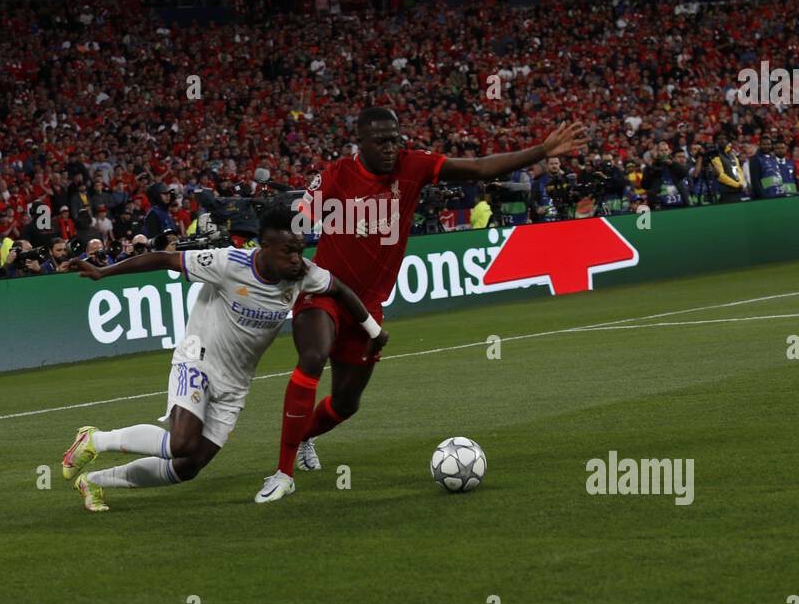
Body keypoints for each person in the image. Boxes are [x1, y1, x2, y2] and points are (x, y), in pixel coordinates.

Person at [269, 106, 586, 493]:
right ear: (360, 143)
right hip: (326, 292)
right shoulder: (336, 177)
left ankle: (305, 435)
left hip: (368, 306)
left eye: (395, 140)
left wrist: (541, 150)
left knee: (346, 403)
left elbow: (480, 168)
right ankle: (282, 474)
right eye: (380, 141)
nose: (390, 148)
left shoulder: (413, 166)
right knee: (314, 356)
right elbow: (296, 221)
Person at [59, 207, 384, 511]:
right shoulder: (228, 263)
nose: (298, 259)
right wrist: (103, 271)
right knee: (182, 443)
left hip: (236, 383)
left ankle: (93, 482)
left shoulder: (302, 274)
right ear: (266, 246)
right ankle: (95, 439)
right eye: (289, 251)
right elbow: (164, 258)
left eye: (301, 250)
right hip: (198, 359)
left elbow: (339, 289)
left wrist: (372, 330)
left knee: (189, 466)